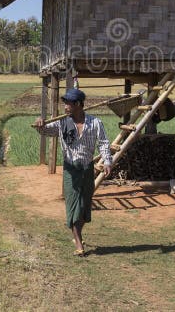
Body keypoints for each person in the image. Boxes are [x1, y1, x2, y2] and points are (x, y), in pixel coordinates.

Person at [33, 88, 112, 257]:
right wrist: (40, 124)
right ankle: (78, 242)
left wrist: (107, 161)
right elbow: (46, 131)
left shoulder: (95, 123)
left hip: (87, 168)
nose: (65, 107)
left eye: (68, 103)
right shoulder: (61, 123)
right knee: (72, 205)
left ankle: (77, 232)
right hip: (70, 170)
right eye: (65, 103)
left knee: (84, 206)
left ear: (77, 105)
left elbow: (104, 143)